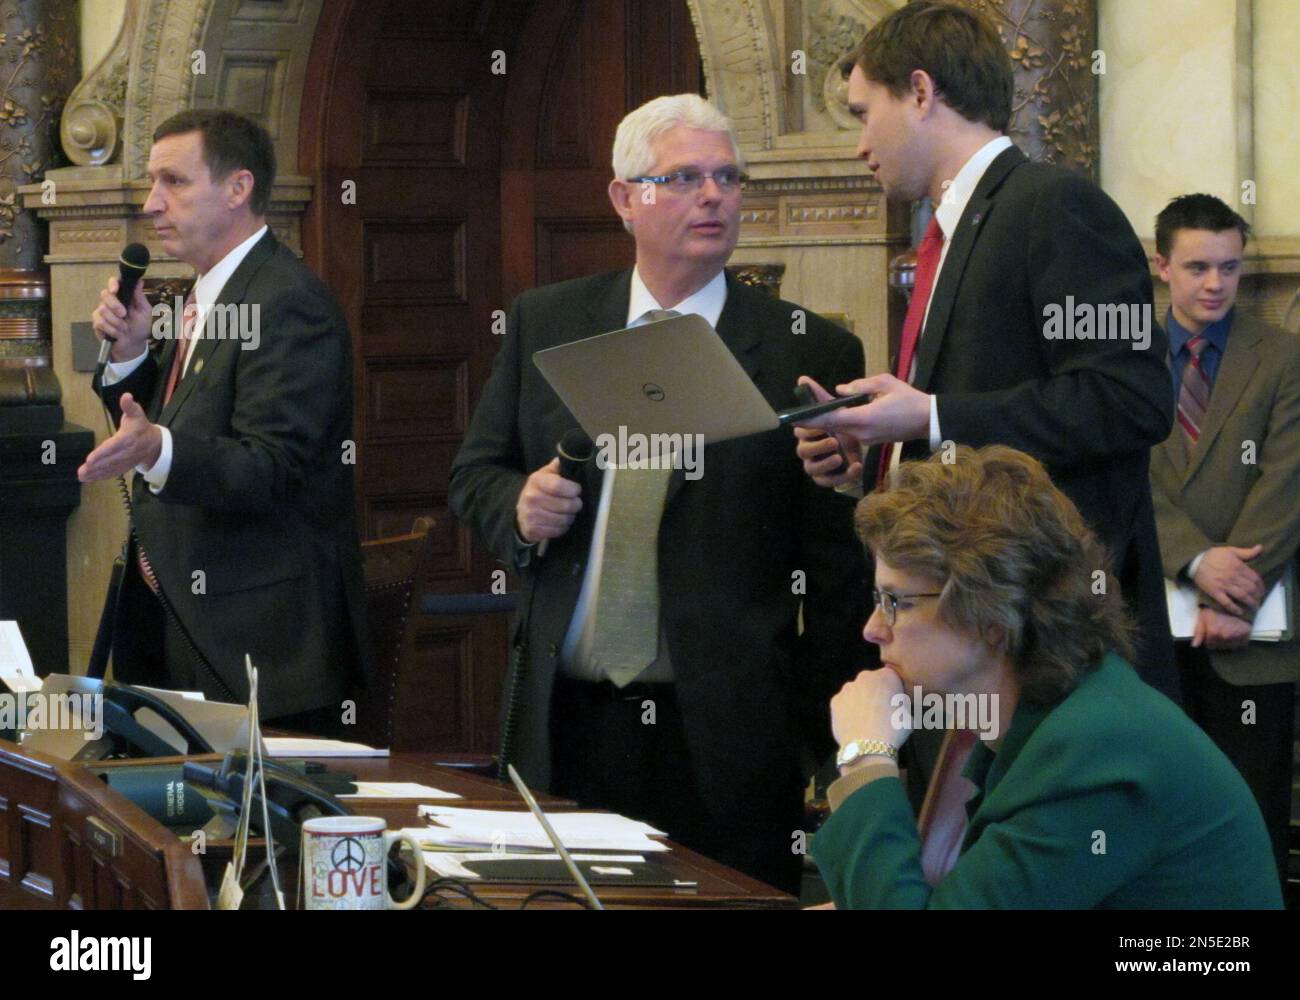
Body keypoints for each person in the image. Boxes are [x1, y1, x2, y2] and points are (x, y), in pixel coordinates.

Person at [448, 94, 869, 893]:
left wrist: (814, 736)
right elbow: (475, 473)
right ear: (623, 198)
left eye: (727, 178)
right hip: (563, 722)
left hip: (724, 737)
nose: (713, 196)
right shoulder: (551, 321)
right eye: (682, 178)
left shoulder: (803, 348)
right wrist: (518, 510)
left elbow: (838, 568)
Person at [794, 1, 1177, 705]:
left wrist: (931, 416)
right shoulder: (955, 226)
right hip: (969, 639)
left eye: (860, 113)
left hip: (1043, 644)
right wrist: (878, 453)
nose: (857, 143)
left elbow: (1130, 401)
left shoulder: (1056, 206)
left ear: (919, 91)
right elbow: (974, 417)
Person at [811, 445, 1282, 909]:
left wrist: (865, 756)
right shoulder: (1049, 715)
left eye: (897, 602)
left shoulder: (1095, 752)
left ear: (992, 614)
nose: (873, 629)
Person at [81, 109, 364, 727]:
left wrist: (157, 448)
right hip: (180, 631)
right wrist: (130, 355)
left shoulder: (288, 301)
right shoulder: (199, 294)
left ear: (238, 188)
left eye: (174, 182)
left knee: (255, 828)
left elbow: (272, 466)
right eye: (152, 183)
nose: (153, 204)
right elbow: (169, 420)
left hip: (261, 651)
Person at [1148, 193, 1300, 877]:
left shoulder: (1282, 356)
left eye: (1230, 269)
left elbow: (1287, 480)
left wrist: (1235, 592)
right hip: (1148, 625)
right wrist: (1196, 560)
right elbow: (1125, 478)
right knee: (1153, 816)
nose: (1215, 285)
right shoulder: (1123, 354)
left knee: (1248, 818)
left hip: (1253, 632)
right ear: (1163, 267)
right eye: (1198, 267)